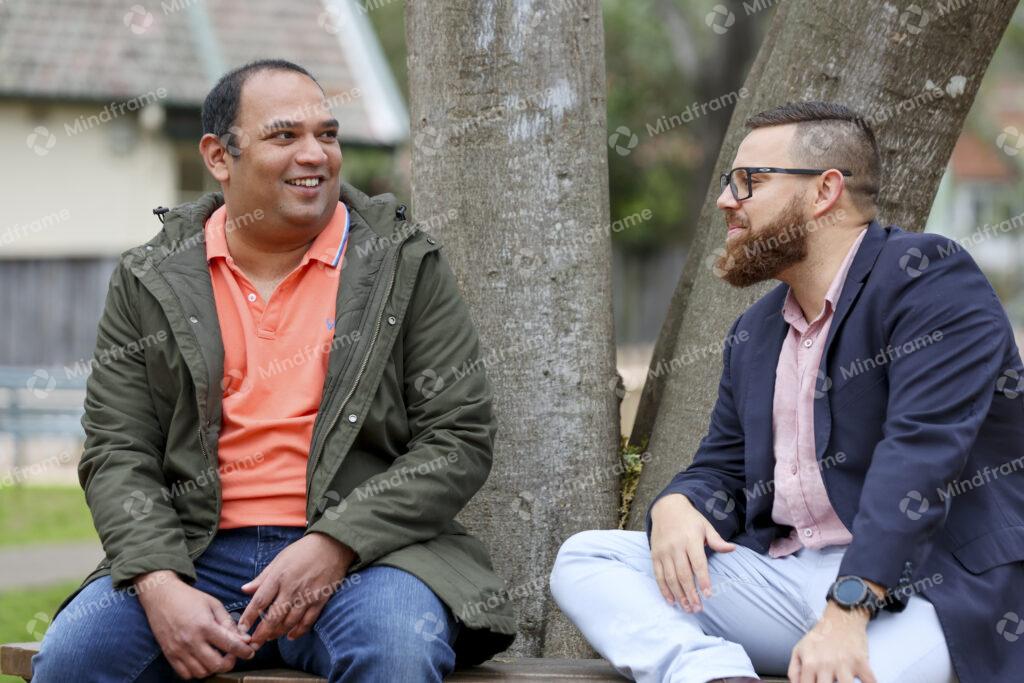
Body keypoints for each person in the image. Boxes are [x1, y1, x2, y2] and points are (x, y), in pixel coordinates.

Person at [31, 59, 515, 682]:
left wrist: (334, 544)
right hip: (195, 556)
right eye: (285, 136)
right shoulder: (149, 277)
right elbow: (117, 451)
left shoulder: (403, 262)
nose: (315, 155)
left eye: (328, 135)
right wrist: (156, 581)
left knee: (396, 650)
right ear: (218, 156)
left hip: (369, 560)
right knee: (73, 658)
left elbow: (459, 437)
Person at [550, 101, 1024, 683]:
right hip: (784, 580)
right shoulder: (755, 331)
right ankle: (714, 675)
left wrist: (848, 610)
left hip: (928, 592)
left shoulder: (929, 277)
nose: (727, 200)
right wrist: (677, 505)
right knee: (589, 558)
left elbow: (920, 460)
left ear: (825, 190)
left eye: (749, 181)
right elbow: (720, 469)